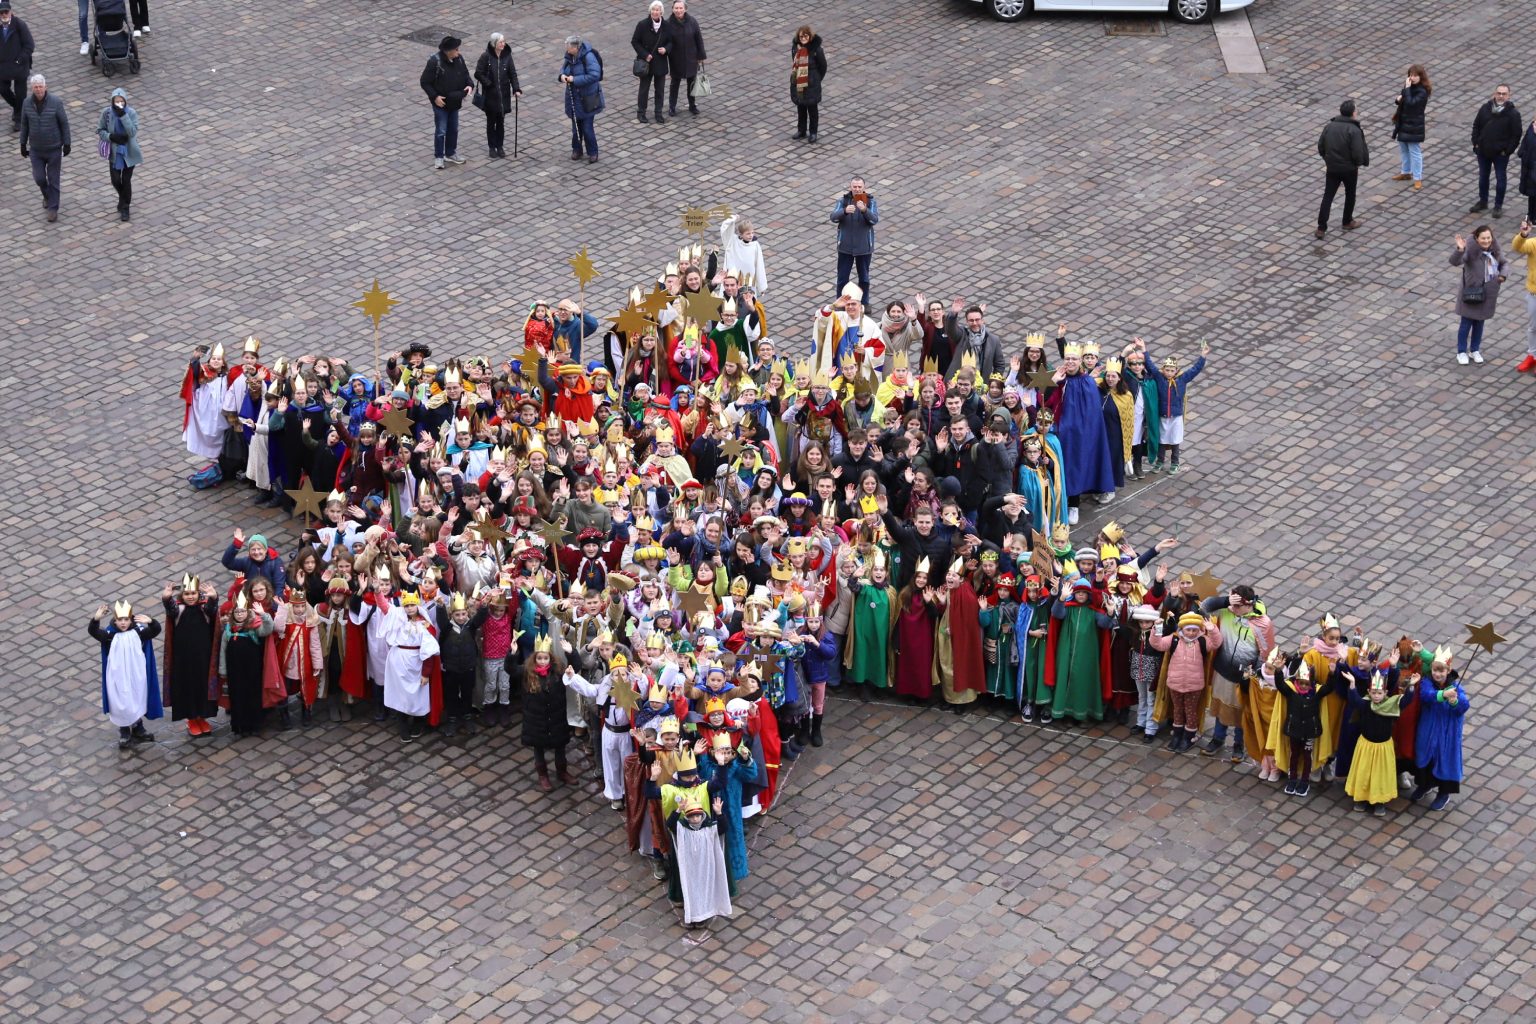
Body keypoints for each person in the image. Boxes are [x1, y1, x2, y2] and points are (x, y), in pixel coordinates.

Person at [90, 599, 162, 749]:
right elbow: (94, 632)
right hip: (117, 674)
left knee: (136, 697)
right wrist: (96, 619)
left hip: (136, 672)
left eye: (126, 619)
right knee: (120, 700)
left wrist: (151, 621)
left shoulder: (138, 631)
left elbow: (155, 630)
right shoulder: (110, 634)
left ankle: (138, 727)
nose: (123, 623)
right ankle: (124, 730)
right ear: (115, 620)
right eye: (119, 620)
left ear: (131, 619)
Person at [1450, 226, 1508, 365]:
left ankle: (1474, 349)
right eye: (1483, 238)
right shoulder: (1470, 251)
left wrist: (1502, 276)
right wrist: (1460, 249)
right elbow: (1455, 261)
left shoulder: (1495, 251)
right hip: (1471, 294)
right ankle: (1461, 351)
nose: (1486, 240)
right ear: (1477, 238)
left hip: (1487, 294)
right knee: (1466, 324)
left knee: (1479, 323)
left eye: (1488, 238)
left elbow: (1504, 264)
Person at [20, 73, 69, 223]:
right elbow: (24, 124)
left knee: (54, 179)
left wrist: (67, 143)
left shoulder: (56, 102)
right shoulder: (27, 103)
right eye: (35, 87)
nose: (38, 90)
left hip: (54, 148)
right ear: (32, 89)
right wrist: (22, 143)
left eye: (40, 87)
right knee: (39, 178)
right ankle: (47, 195)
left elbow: (64, 123)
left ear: (45, 87)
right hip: (36, 149)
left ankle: (53, 208)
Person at [1315, 99, 1367, 239]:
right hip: (1349, 169)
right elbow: (1357, 152)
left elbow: (1321, 146)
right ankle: (1347, 221)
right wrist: (1357, 163)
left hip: (1332, 168)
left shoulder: (1329, 126)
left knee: (1328, 196)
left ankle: (1321, 227)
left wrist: (1328, 159)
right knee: (1350, 194)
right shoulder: (1354, 130)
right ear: (1352, 113)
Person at [420, 35, 472, 171]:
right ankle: (439, 156)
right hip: (441, 103)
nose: (458, 52)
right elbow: (425, 82)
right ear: (448, 51)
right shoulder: (434, 62)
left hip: (455, 101)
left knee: (453, 129)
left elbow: (466, 74)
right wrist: (435, 97)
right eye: (456, 49)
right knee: (441, 131)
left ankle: (450, 153)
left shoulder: (459, 59)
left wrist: (469, 85)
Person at [1470, 84, 1522, 217]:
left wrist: (1507, 151)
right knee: (1483, 177)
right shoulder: (1485, 108)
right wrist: (1476, 143)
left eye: (1504, 94)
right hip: (1483, 150)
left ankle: (1498, 206)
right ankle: (1483, 201)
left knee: (1500, 179)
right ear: (1494, 94)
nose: (1501, 96)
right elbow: (1476, 125)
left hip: (1500, 154)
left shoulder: (1513, 114)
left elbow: (1516, 135)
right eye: (1499, 93)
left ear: (1509, 96)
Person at [473, 32, 522, 160]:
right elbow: (478, 73)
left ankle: (500, 146)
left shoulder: (507, 56)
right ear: (494, 43)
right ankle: (491, 147)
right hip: (491, 95)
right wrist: (488, 83)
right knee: (491, 122)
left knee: (500, 122)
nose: (503, 44)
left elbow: (513, 74)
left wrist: (516, 88)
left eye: (503, 41)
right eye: (500, 42)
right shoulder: (486, 57)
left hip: (503, 95)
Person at [831, 175, 877, 305]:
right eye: (854, 187)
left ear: (864, 188)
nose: (857, 189)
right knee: (842, 278)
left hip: (864, 248)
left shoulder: (871, 202)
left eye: (859, 187)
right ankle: (840, 302)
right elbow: (833, 217)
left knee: (864, 278)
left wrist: (864, 210)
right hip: (845, 247)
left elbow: (874, 219)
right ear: (850, 187)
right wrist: (844, 211)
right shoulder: (843, 201)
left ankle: (864, 302)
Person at [96, 87, 141, 222]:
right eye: (117, 101)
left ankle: (125, 207)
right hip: (114, 152)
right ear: (112, 101)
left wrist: (123, 116)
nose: (119, 104)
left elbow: (132, 132)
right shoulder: (107, 113)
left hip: (129, 152)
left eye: (122, 101)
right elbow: (100, 130)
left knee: (126, 180)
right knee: (115, 180)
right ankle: (123, 198)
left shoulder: (131, 113)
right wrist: (111, 137)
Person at [560, 34, 603, 165]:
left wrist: (575, 80)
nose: (566, 49)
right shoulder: (570, 56)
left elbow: (595, 75)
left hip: (587, 99)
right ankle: (577, 149)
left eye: (568, 47)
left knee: (587, 128)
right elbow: (564, 68)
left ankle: (593, 152)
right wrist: (562, 75)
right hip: (574, 98)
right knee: (576, 128)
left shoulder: (588, 57)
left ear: (575, 47)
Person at [631, 0, 672, 124]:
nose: (655, 12)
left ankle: (658, 113)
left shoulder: (666, 25)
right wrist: (645, 54)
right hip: (647, 63)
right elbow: (635, 41)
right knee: (644, 89)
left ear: (661, 12)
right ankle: (641, 112)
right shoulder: (642, 25)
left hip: (660, 63)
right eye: (653, 10)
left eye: (657, 10)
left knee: (659, 89)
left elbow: (671, 42)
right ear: (650, 11)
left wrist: (666, 49)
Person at [1390, 65, 1430, 189]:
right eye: (1410, 75)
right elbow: (1404, 101)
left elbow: (1412, 104)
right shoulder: (1409, 88)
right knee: (1404, 149)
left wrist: (1406, 91)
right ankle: (1405, 172)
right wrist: (1399, 99)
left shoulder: (1422, 92)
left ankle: (1417, 178)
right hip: (1403, 122)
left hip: (1413, 125)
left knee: (1414, 151)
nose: (1411, 78)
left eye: (1414, 75)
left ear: (1420, 77)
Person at [666, 0, 705, 118]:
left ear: (685, 9)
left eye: (680, 8)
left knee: (691, 83)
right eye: (676, 8)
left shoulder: (692, 22)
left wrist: (701, 56)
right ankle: (672, 106)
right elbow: (667, 42)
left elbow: (699, 39)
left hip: (691, 58)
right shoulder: (668, 24)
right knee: (675, 84)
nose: (678, 10)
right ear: (673, 9)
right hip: (676, 59)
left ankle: (692, 105)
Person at [0, 1, 33, 129]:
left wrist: (20, 59)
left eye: (6, 12)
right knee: (3, 89)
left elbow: (29, 45)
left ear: (11, 12)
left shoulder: (19, 25)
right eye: (1, 13)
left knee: (21, 93)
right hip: (3, 66)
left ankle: (19, 119)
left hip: (19, 66)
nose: (4, 15)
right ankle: (17, 108)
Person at [789, 25, 825, 143]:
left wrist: (816, 79)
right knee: (801, 107)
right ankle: (801, 130)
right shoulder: (796, 48)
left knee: (812, 109)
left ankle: (813, 132)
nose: (803, 38)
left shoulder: (816, 50)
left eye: (805, 36)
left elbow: (823, 66)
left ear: (810, 36)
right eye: (801, 36)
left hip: (812, 83)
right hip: (799, 82)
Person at [1513, 216, 1536, 373]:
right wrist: (1523, 235)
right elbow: (1518, 247)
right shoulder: (1534, 244)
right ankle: (1532, 355)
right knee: (1533, 328)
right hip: (1534, 293)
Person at [1521, 119, 1536, 224]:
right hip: (1530, 166)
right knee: (1532, 194)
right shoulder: (1532, 126)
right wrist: (1522, 152)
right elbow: (1525, 141)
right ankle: (1531, 214)